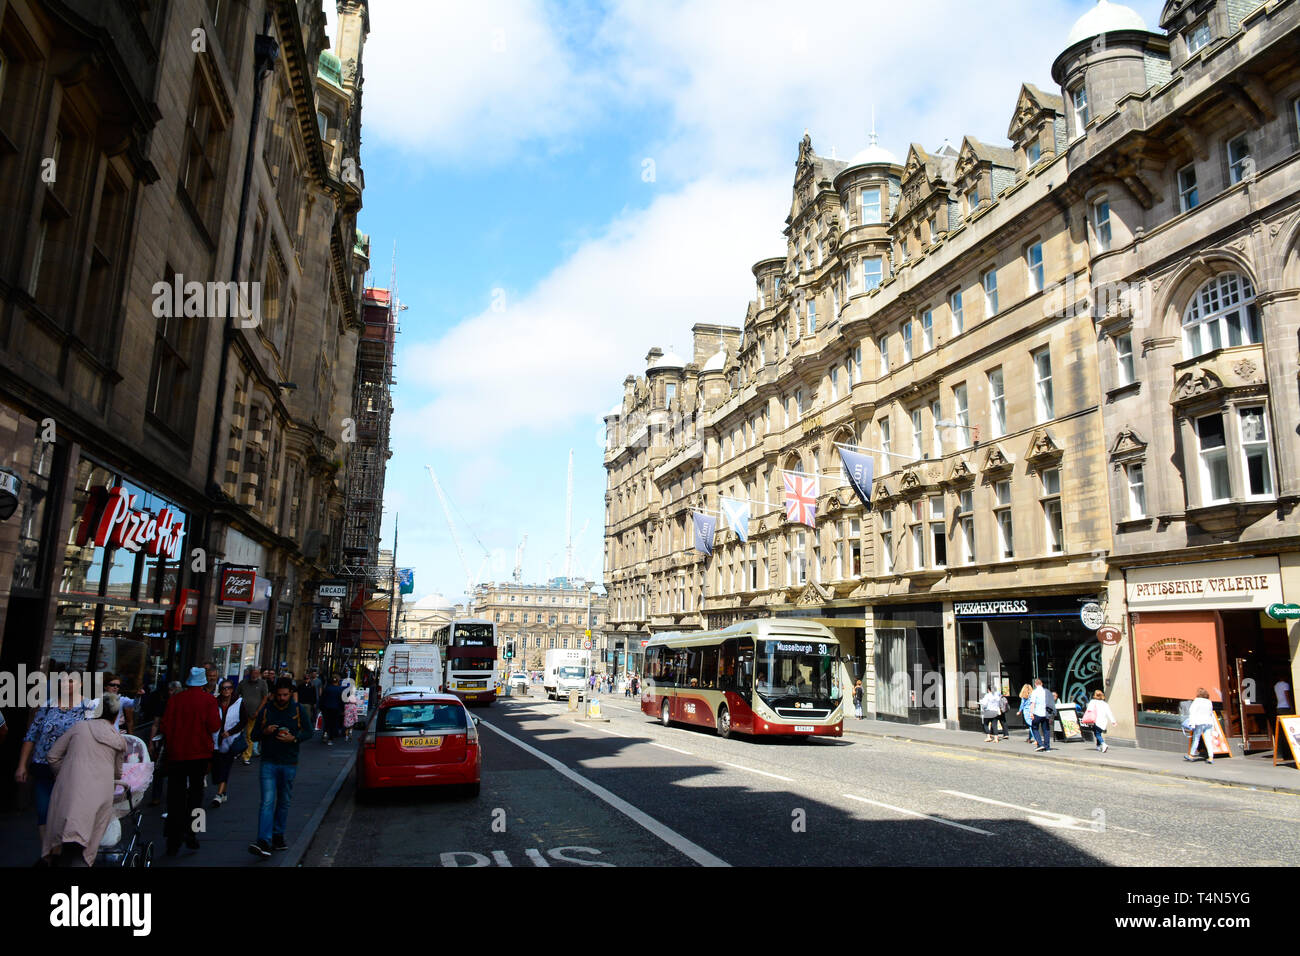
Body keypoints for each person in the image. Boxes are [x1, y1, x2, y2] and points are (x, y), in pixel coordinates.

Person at [41, 693, 127, 867]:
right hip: (100, 795)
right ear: (116, 715)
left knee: (65, 838)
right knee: (86, 845)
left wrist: (65, 775)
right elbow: (117, 775)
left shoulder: (79, 728)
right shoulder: (119, 740)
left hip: (71, 790)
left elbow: (52, 756)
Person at [16, 673, 97, 849]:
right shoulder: (48, 705)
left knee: (64, 813)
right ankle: (48, 854)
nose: (66, 684)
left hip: (71, 769)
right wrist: (22, 765)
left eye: (71, 681)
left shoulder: (89, 706)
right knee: (43, 811)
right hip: (43, 766)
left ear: (80, 684)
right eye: (62, 681)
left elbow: (91, 738)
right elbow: (31, 735)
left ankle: (59, 851)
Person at [248, 677, 313, 858]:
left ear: (291, 694)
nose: (282, 698)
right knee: (267, 802)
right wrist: (265, 732)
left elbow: (309, 732)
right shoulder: (267, 709)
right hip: (268, 761)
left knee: (283, 801)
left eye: (285, 695)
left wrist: (294, 738)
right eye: (279, 695)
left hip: (289, 762)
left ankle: (278, 835)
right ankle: (263, 840)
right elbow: (253, 736)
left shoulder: (298, 710)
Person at [158, 666, 220, 855]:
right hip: (199, 754)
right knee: (196, 795)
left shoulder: (176, 699)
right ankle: (193, 833)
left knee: (175, 797)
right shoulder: (208, 700)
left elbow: (165, 726)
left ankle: (172, 838)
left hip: (177, 754)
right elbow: (214, 726)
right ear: (203, 682)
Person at [210, 680, 243, 807]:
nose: (226, 690)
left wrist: (231, 732)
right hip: (216, 740)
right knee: (217, 767)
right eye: (224, 688)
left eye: (229, 688)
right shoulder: (215, 702)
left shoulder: (239, 703)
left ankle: (218, 795)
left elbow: (243, 721)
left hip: (230, 740)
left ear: (232, 689)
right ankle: (223, 792)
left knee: (226, 766)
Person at [236, 666, 268, 764]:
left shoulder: (262, 683)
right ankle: (238, 751)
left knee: (249, 735)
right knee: (239, 733)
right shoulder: (243, 683)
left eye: (257, 673)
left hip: (254, 713)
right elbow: (237, 694)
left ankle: (246, 756)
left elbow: (264, 698)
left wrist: (258, 711)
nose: (255, 674)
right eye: (253, 672)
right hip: (242, 712)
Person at [1185, 687, 1216, 764]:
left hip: (1199, 722)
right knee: (1208, 740)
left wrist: (1192, 723)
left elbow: (1192, 712)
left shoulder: (1197, 701)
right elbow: (1210, 712)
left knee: (1196, 739)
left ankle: (1191, 755)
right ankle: (1211, 757)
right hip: (1208, 722)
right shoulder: (1209, 702)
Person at [1081, 689, 1118, 753]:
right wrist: (1113, 721)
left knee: (1097, 734)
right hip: (1103, 721)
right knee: (1098, 733)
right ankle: (1098, 746)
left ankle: (1104, 744)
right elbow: (1109, 713)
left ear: (1095, 695)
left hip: (1096, 720)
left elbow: (1089, 709)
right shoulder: (1105, 704)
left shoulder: (1093, 702)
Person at [318, 675, 344, 745]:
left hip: (326, 708)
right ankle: (330, 739)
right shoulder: (340, 689)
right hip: (335, 708)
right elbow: (341, 700)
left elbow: (322, 699)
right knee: (333, 723)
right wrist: (342, 709)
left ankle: (325, 734)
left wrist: (320, 707)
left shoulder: (327, 689)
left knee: (326, 722)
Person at [1030, 679, 1054, 752]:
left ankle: (1040, 744)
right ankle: (1047, 747)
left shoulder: (1034, 692)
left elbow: (1033, 704)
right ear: (1042, 684)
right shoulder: (1046, 692)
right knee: (1046, 730)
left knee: (1034, 728)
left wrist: (1031, 713)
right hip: (1045, 714)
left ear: (1035, 684)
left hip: (1037, 713)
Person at [341, 677, 359, 742]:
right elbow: (355, 713)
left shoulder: (346, 705)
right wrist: (356, 719)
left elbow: (344, 712)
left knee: (346, 728)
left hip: (346, 718)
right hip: (352, 719)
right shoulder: (354, 706)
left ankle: (346, 737)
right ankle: (351, 733)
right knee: (351, 727)